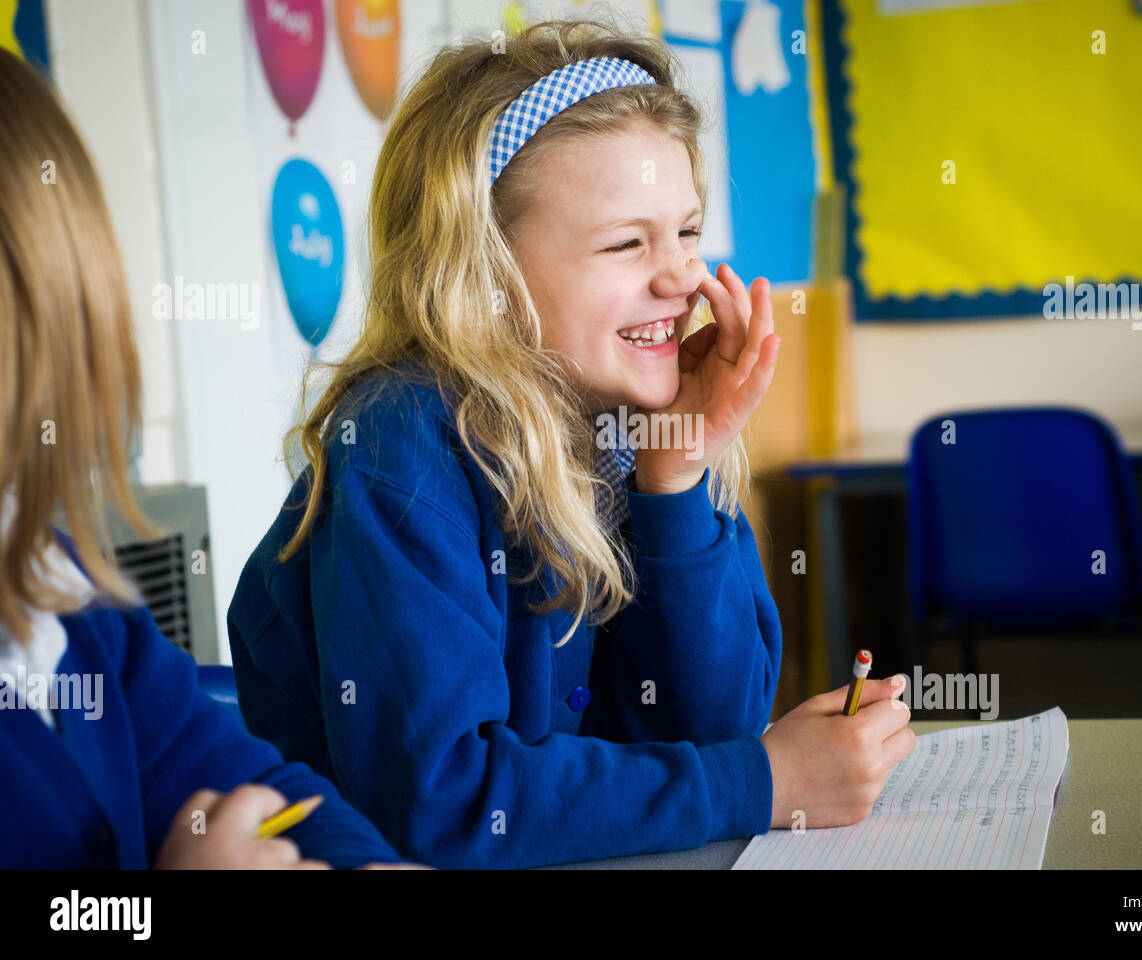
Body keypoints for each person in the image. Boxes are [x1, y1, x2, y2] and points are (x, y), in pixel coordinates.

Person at [228, 18, 915, 869]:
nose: (682, 279)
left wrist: (675, 478)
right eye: (628, 243)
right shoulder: (401, 444)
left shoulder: (623, 427)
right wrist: (761, 782)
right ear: (484, 272)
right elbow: (443, 802)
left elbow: (707, 733)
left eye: (689, 232)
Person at [0, 46, 414, 870]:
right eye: (625, 244)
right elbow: (454, 789)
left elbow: (264, 788)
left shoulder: (71, 605)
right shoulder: (400, 457)